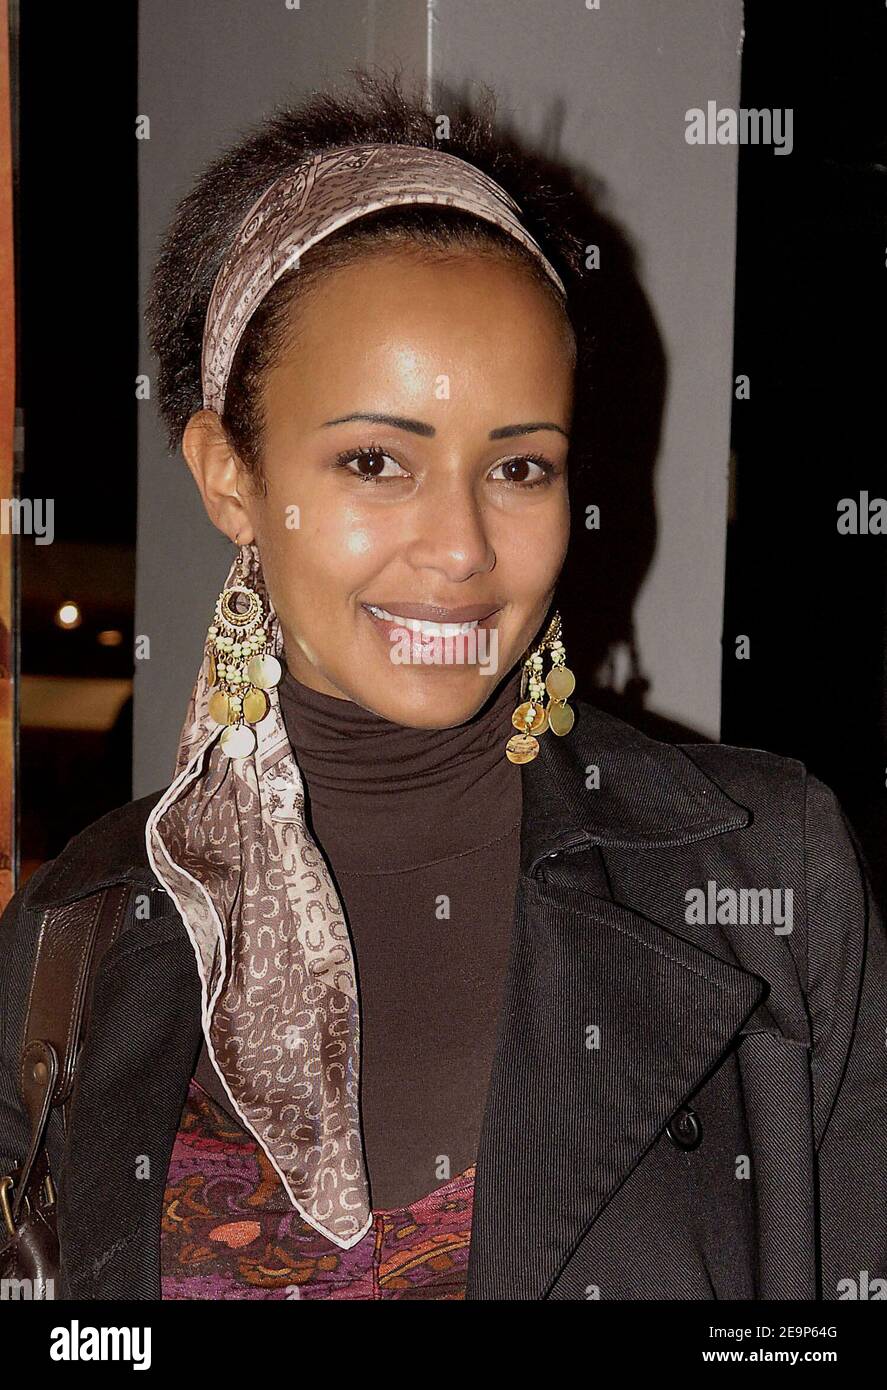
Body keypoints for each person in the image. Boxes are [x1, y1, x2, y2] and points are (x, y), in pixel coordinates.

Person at [1, 71, 885, 1302]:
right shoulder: (82, 927)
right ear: (229, 475)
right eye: (375, 460)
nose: (462, 547)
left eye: (518, 467)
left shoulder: (763, 876)